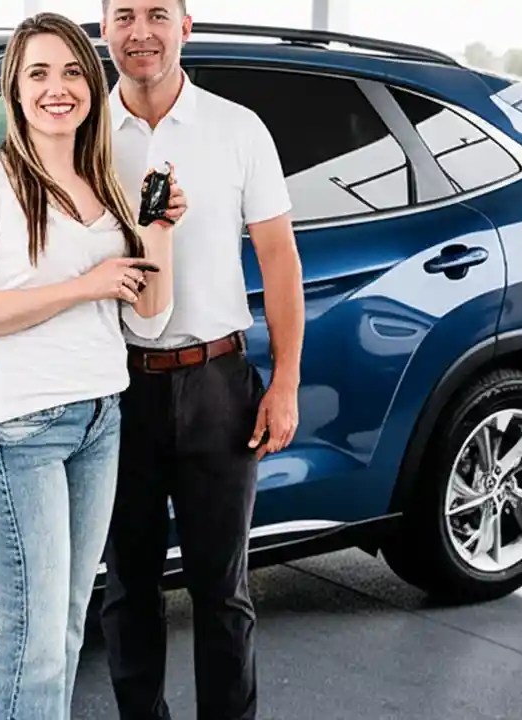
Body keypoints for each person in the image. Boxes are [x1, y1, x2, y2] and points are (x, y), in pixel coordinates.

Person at [0, 11, 186, 720]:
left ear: (92, 87)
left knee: (69, 625)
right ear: (14, 90)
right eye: (38, 73)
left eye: (73, 71)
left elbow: (148, 315)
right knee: (34, 639)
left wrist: (159, 231)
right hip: (18, 428)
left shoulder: (107, 184)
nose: (57, 88)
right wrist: (83, 285)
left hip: (100, 418)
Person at [97, 1, 307, 718]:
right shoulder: (85, 134)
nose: (141, 32)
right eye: (124, 15)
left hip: (218, 382)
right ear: (104, 28)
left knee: (222, 591)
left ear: (186, 26)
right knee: (127, 587)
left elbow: (279, 259)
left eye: (158, 13)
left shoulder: (237, 128)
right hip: (115, 385)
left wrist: (285, 381)